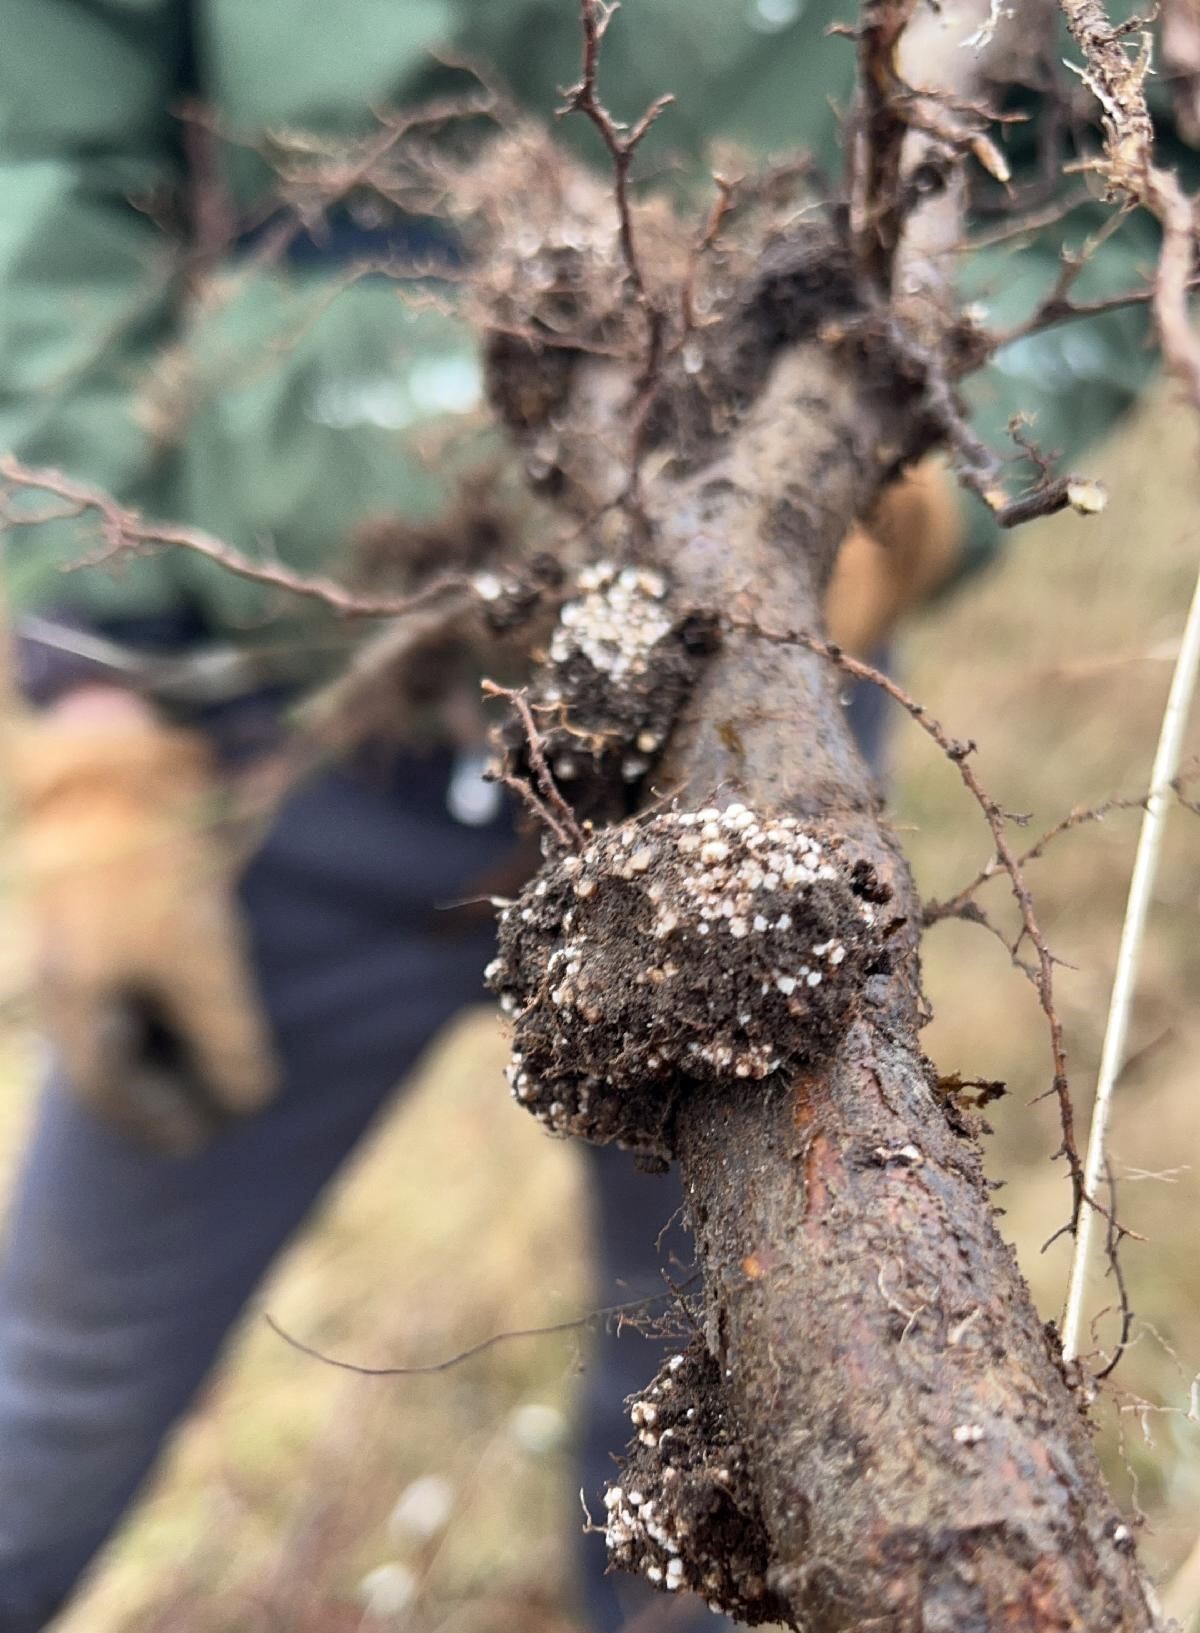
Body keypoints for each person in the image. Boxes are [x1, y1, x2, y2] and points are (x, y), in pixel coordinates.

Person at [0, 2, 1166, 1628]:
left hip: (742, 730)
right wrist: (97, 713)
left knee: (720, 1420)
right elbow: (39, 145)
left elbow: (1110, 158)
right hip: (282, 729)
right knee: (55, 1386)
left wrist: (899, 481)